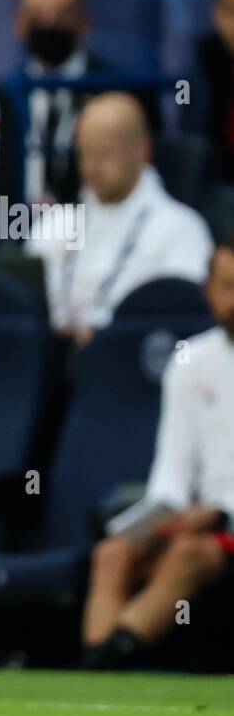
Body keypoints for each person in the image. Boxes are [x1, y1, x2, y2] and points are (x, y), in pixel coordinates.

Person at [81, 240, 234, 669]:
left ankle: (105, 665)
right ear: (208, 289)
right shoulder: (190, 362)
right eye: (227, 287)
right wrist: (158, 518)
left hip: (219, 527)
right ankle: (96, 671)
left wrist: (219, 513)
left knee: (188, 553)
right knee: (113, 552)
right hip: (200, 524)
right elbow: (170, 476)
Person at [27, 93, 213, 347]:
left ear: (142, 150)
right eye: (85, 153)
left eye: (105, 153)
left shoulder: (182, 230)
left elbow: (181, 325)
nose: (92, 166)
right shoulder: (54, 224)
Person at [0, 0, 161, 207]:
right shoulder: (0, 96)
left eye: (62, 15)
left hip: (96, 225)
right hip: (13, 228)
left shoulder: (119, 91)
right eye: (37, 16)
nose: (49, 25)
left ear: (84, 21)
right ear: (19, 23)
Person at [192, 0, 234, 183]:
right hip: (214, 178)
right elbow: (183, 95)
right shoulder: (203, 56)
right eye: (231, 12)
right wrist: (185, 100)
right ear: (216, 11)